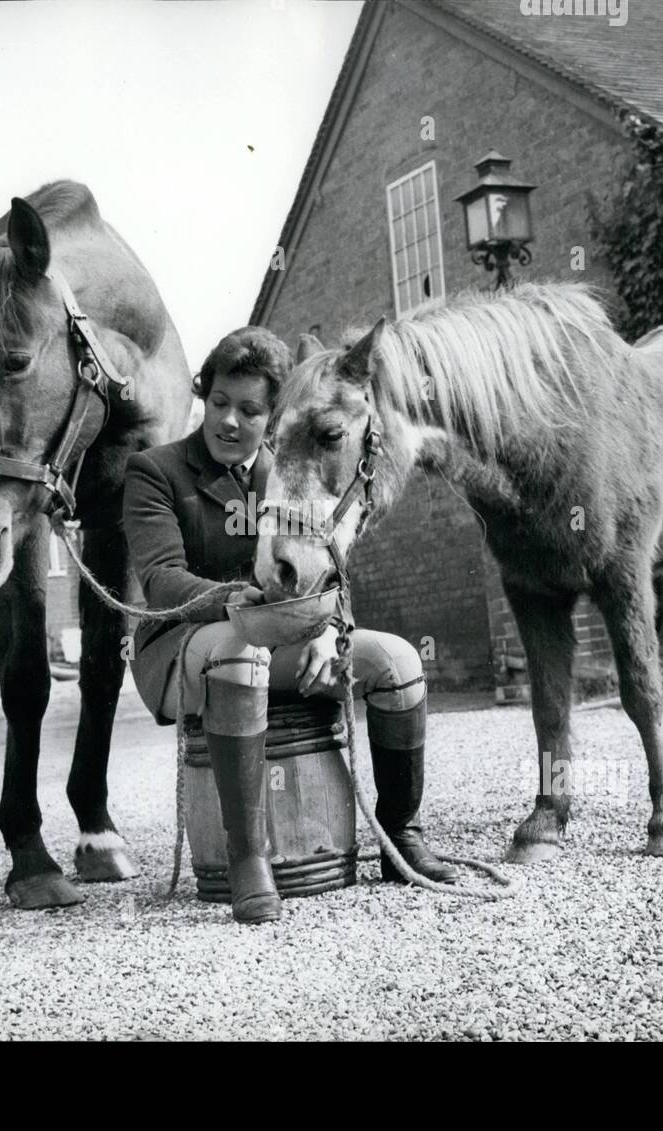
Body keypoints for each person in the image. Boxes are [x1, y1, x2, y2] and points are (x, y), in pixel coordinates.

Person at [123, 326, 458, 925]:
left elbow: (330, 568)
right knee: (238, 656)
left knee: (400, 663)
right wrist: (242, 601)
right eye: (219, 403)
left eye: (251, 411)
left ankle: (400, 834)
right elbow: (161, 581)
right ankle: (248, 859)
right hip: (179, 647)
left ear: (275, 417)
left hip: (279, 639)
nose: (229, 421)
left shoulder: (290, 472)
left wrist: (330, 630)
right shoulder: (156, 471)